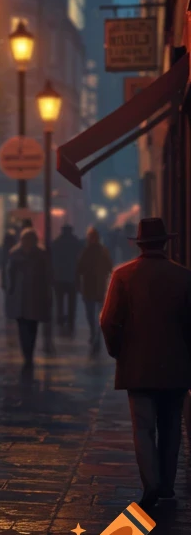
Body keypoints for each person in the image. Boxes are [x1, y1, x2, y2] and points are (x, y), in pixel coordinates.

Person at [100, 218, 191, 512]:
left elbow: (108, 321)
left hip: (137, 366)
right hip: (176, 365)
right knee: (171, 426)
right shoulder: (184, 277)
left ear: (139, 244)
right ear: (165, 242)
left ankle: (150, 483)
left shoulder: (124, 276)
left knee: (143, 427)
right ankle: (166, 485)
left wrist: (119, 352)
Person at [5, 228, 52, 366]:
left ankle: (29, 353)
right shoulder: (15, 254)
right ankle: (27, 354)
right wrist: (11, 290)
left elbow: (47, 275)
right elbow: (9, 275)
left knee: (32, 326)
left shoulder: (40, 254)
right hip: (21, 297)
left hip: (34, 297)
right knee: (23, 326)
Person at [76, 226, 113, 357]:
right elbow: (110, 266)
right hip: (98, 286)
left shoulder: (86, 251)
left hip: (90, 287)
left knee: (91, 313)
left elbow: (79, 269)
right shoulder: (103, 251)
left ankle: (95, 334)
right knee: (97, 313)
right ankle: (96, 334)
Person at [51, 224, 84, 330]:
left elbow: (52, 260)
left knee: (59, 301)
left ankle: (60, 319)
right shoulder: (76, 242)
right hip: (73, 277)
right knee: (72, 302)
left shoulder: (56, 243)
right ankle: (71, 320)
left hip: (59, 277)